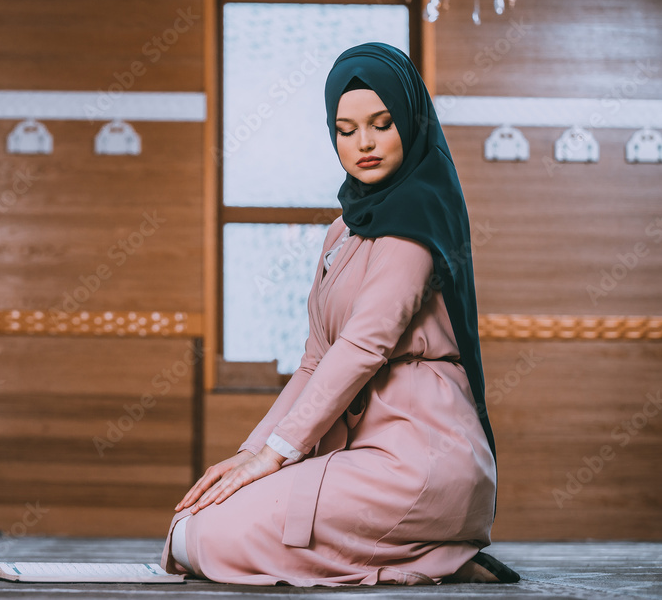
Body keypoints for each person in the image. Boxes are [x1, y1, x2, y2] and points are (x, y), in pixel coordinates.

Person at [159, 42, 520, 586]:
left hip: (417, 461)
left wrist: (278, 455)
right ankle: (426, 556)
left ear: (411, 122)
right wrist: (253, 453)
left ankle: (429, 551)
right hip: (360, 450)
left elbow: (362, 348)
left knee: (202, 539)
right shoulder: (343, 230)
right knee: (192, 523)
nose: (364, 144)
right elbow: (314, 361)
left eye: (381, 123)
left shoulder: (414, 218)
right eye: (346, 130)